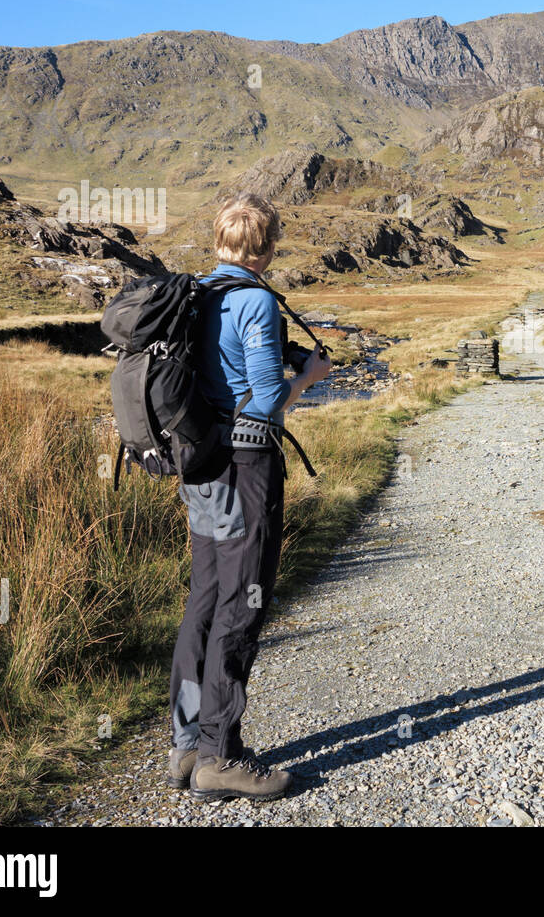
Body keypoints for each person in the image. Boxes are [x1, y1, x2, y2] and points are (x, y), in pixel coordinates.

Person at [165, 191, 331, 802]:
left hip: (200, 464)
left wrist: (281, 356)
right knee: (245, 599)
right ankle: (221, 755)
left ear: (219, 242)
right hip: (245, 465)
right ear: (267, 248)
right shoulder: (257, 299)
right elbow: (263, 400)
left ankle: (187, 749)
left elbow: (223, 367)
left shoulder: (198, 295)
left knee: (205, 598)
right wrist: (307, 378)